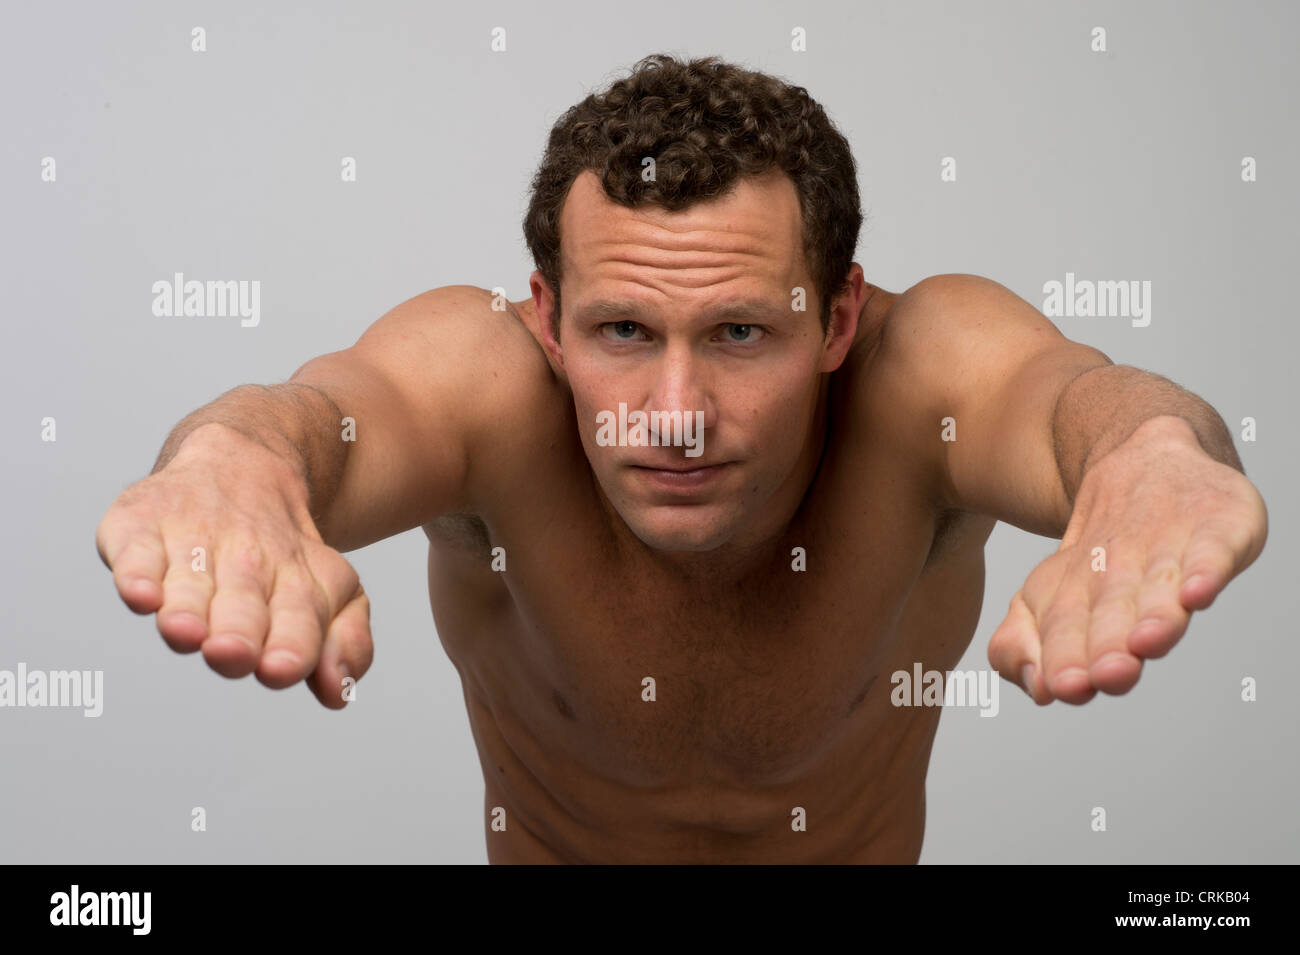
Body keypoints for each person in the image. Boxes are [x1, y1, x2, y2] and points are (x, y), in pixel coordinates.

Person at [95, 54, 1267, 863]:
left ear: (839, 318)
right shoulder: (491, 388)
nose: (673, 411)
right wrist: (237, 465)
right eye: (621, 332)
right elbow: (321, 415)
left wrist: (1145, 454)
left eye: (740, 333)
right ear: (548, 321)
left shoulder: (916, 380)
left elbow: (1075, 400)